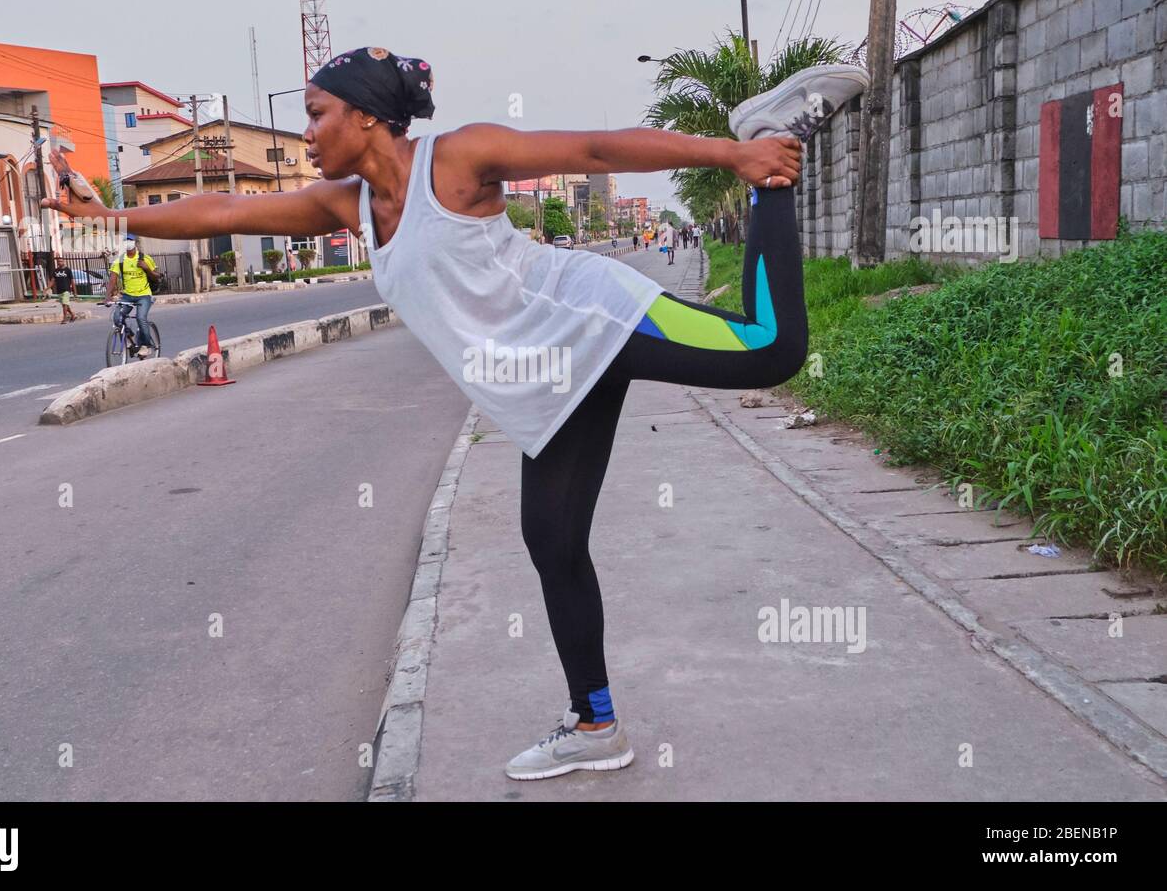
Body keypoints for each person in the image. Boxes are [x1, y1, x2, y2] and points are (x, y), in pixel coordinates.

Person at [43, 45, 867, 781]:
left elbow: (593, 148)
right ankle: (595, 725)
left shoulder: (460, 158)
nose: (309, 134)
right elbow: (218, 213)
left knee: (771, 349)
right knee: (551, 542)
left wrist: (736, 155)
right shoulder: (347, 205)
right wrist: (103, 215)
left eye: (317, 115)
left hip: (593, 321)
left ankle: (772, 166)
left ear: (365, 115)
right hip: (547, 385)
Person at [105, 235, 160, 358]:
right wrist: (107, 296)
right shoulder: (119, 261)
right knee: (117, 317)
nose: (128, 243)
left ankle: (146, 345)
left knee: (141, 318)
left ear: (135, 243)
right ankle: (131, 339)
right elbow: (112, 279)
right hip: (127, 296)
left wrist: (147, 269)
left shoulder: (145, 258)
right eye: (125, 241)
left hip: (144, 295)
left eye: (130, 241)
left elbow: (156, 276)